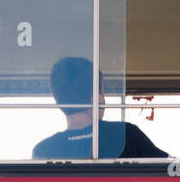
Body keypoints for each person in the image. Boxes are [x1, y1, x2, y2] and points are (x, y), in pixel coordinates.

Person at [32, 57, 167, 160]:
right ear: (95, 96)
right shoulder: (126, 135)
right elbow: (171, 171)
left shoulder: (43, 151)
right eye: (103, 90)